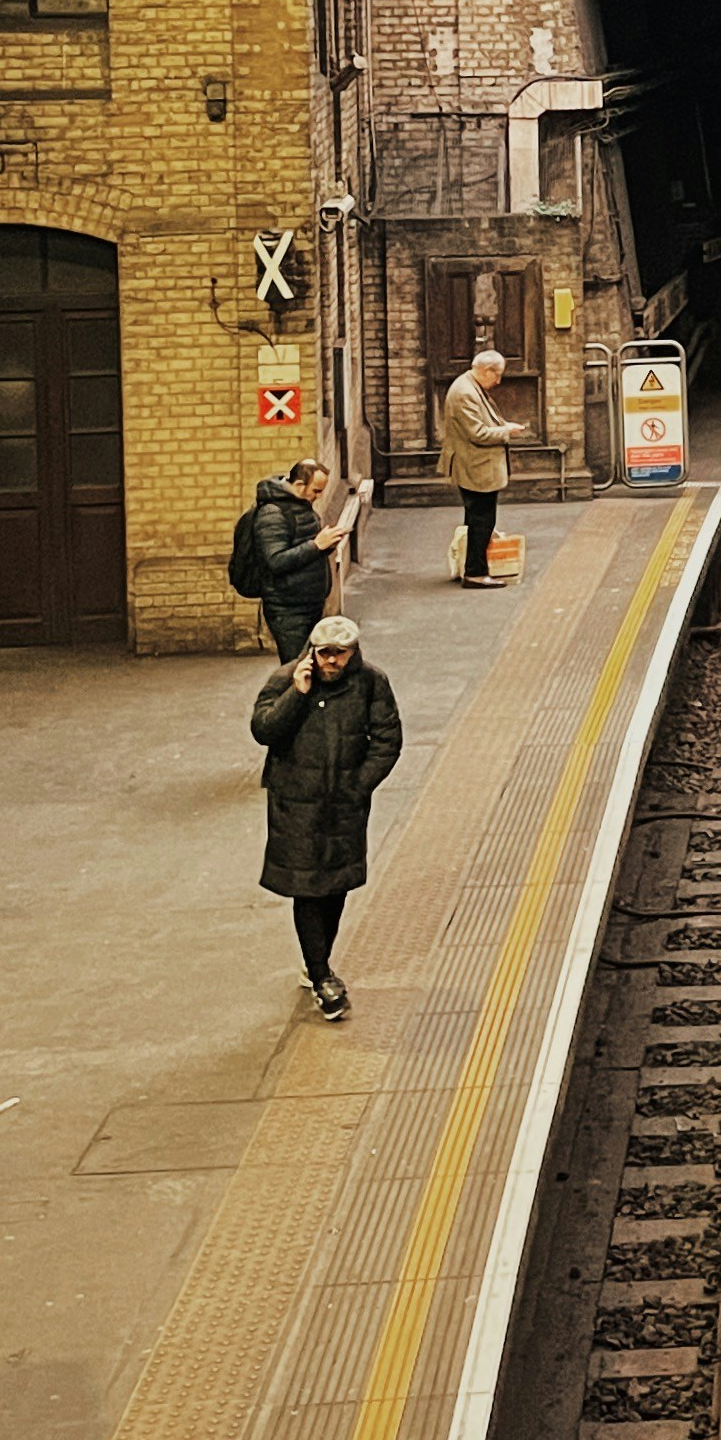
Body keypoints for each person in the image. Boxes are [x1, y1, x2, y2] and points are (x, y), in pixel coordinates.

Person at [251, 614, 405, 1022]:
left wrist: (358, 786)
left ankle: (316, 960)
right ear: (312, 653)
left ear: (353, 653)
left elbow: (388, 739)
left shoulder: (372, 682)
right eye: (324, 654)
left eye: (340, 654)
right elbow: (263, 729)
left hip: (343, 806)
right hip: (296, 805)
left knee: (336, 885)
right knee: (308, 887)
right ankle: (321, 977)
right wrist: (296, 695)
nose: (331, 662)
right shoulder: (286, 679)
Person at [239, 458, 352, 661]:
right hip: (287, 609)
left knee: (309, 664)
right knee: (296, 667)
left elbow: (302, 549)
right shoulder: (272, 514)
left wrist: (326, 545)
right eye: (316, 491)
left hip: (307, 603)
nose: (317, 497)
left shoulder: (299, 505)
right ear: (299, 485)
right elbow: (276, 560)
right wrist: (316, 545)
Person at [435, 345, 520, 586]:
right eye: (498, 375)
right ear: (487, 371)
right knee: (481, 520)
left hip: (477, 466)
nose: (499, 381)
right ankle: (475, 573)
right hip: (475, 467)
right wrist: (506, 431)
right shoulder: (465, 393)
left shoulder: (470, 385)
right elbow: (478, 433)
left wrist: (503, 425)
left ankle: (474, 567)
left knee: (480, 519)